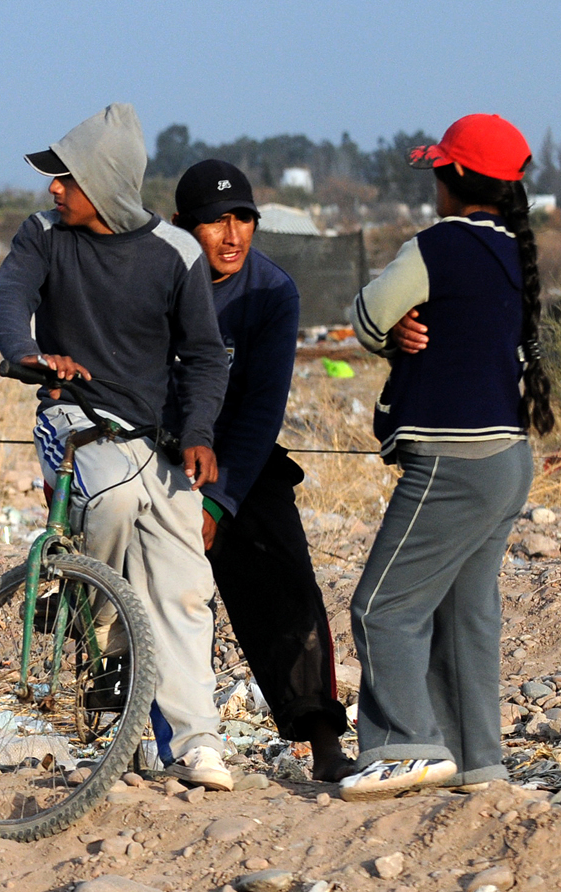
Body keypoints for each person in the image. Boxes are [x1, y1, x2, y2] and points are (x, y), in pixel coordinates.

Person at [0, 103, 232, 790]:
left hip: (156, 436)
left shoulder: (177, 253)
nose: (52, 188)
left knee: (186, 588)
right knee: (115, 499)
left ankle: (197, 743)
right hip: (73, 418)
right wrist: (30, 354)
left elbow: (205, 356)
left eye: (65, 177)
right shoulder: (43, 235)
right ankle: (96, 618)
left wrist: (200, 433)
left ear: (102, 182)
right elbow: (8, 299)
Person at [339, 114, 551, 800]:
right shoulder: (514, 252)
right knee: (466, 613)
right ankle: (476, 762)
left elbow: (366, 316)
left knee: (383, 606)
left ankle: (405, 748)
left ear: (454, 176)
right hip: (509, 459)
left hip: (453, 460)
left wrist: (396, 330)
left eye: (437, 169)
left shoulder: (437, 245)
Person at [172, 159, 352, 782]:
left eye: (243, 219)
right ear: (181, 226)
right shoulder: (161, 278)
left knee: (287, 582)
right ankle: (147, 733)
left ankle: (324, 743)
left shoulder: (272, 291)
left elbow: (261, 411)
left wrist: (216, 502)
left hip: (240, 458)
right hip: (163, 451)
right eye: (215, 222)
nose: (232, 236)